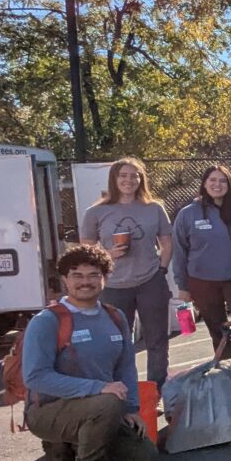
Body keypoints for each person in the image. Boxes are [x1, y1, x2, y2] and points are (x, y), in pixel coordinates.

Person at [21, 244, 158, 461]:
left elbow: (126, 366)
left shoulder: (115, 316)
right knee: (108, 402)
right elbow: (35, 377)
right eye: (77, 275)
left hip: (101, 409)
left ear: (104, 279)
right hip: (49, 410)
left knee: (144, 457)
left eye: (94, 275)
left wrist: (131, 408)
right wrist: (98, 388)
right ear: (65, 280)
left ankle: (74, 446)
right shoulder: (47, 321)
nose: (86, 282)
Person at [78, 157, 173, 387]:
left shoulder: (154, 208)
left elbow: (167, 243)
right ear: (114, 179)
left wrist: (161, 270)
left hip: (150, 281)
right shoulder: (96, 212)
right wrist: (108, 254)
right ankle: (123, 389)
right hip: (114, 285)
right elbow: (87, 251)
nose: (128, 180)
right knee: (117, 341)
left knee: (157, 340)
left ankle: (156, 390)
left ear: (141, 179)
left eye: (134, 175)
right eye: (123, 175)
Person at [172, 165, 231, 363]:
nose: (217, 185)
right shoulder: (188, 214)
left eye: (223, 181)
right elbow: (179, 251)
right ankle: (226, 370)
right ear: (204, 183)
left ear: (230, 185)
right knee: (217, 329)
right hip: (202, 282)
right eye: (212, 180)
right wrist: (182, 286)